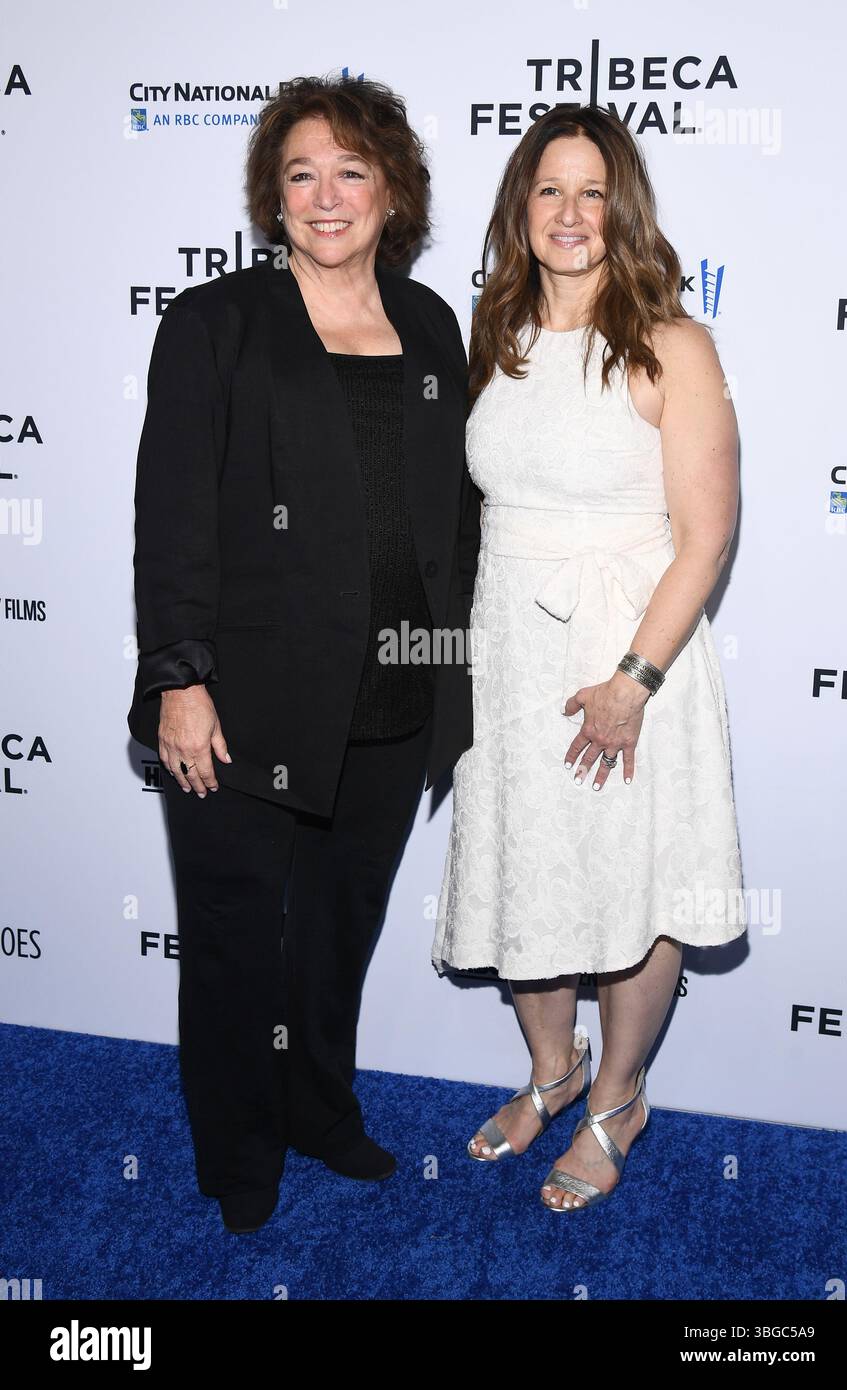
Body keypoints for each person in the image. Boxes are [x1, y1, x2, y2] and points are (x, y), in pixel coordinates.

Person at [127, 74, 481, 1233]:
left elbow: (452, 518)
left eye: (351, 172)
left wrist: (453, 672)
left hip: (391, 700)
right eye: (301, 174)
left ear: (393, 193)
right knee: (235, 941)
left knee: (338, 932)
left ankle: (318, 1108)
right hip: (244, 703)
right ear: (272, 198)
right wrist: (180, 678)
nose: (327, 196)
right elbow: (173, 514)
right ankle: (238, 1154)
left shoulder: (429, 323)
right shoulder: (218, 322)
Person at [432, 105, 746, 1212]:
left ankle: (616, 1097)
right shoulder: (493, 333)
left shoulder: (673, 344)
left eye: (593, 192)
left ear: (625, 210)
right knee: (526, 864)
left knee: (632, 877)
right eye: (549, 190)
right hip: (509, 652)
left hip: (629, 651)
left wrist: (632, 682)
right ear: (520, 206)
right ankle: (550, 1068)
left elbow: (704, 537)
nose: (569, 213)